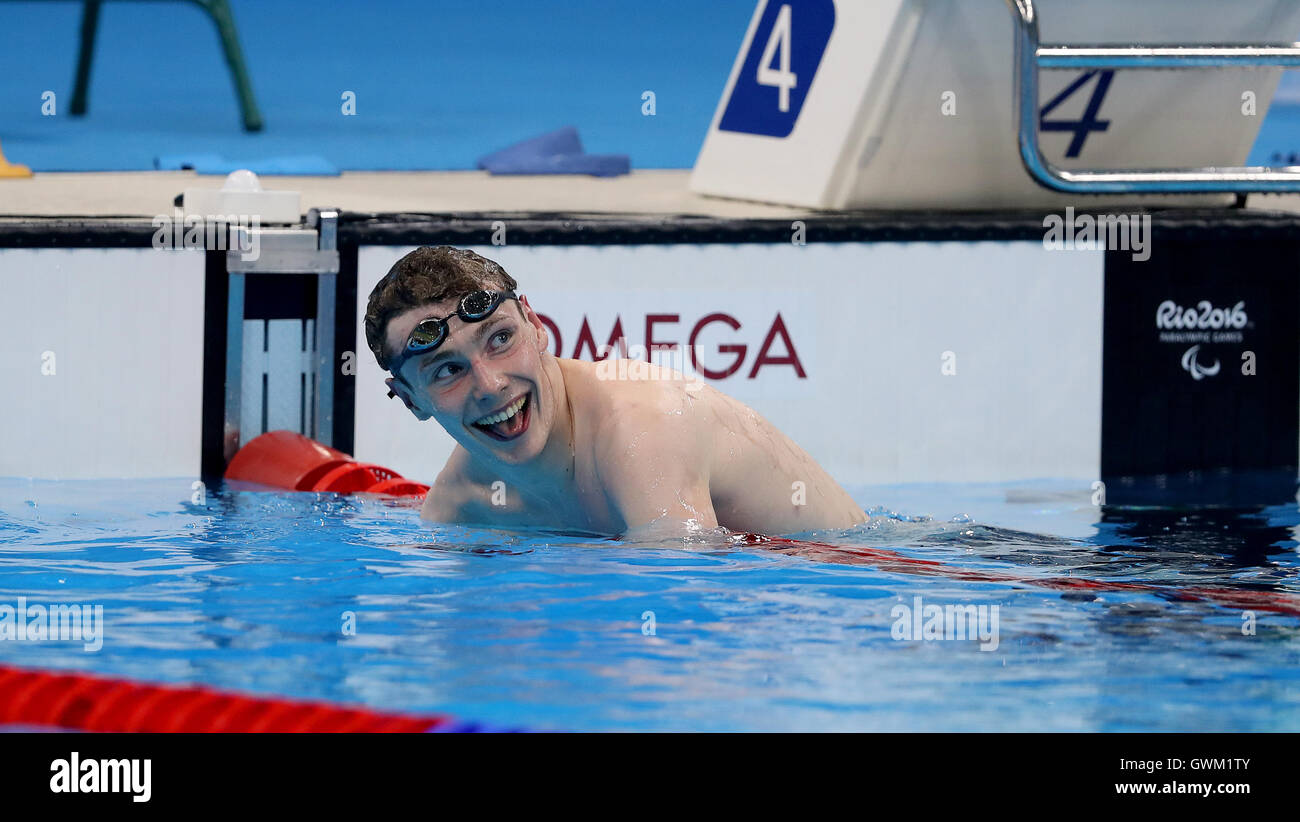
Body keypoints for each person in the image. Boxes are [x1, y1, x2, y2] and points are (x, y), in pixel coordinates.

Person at [365, 246, 868, 537]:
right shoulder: (459, 507)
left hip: (889, 569)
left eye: (501, 339)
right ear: (412, 401)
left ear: (536, 326)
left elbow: (681, 634)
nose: (491, 384)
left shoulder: (642, 425)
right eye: (447, 371)